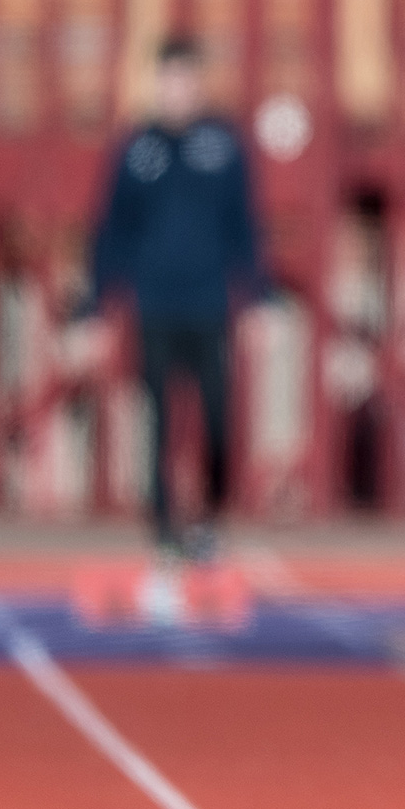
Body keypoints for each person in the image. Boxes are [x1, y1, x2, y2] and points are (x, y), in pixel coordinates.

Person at [88, 35, 264, 558]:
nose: (177, 92)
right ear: (157, 83)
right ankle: (164, 529)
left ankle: (207, 515)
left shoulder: (224, 147)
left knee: (216, 416)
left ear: (198, 85)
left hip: (209, 305)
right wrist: (97, 307)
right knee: (160, 419)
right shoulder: (135, 149)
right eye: (169, 81)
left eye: (187, 81)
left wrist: (257, 298)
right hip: (155, 306)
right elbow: (112, 231)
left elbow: (244, 227)